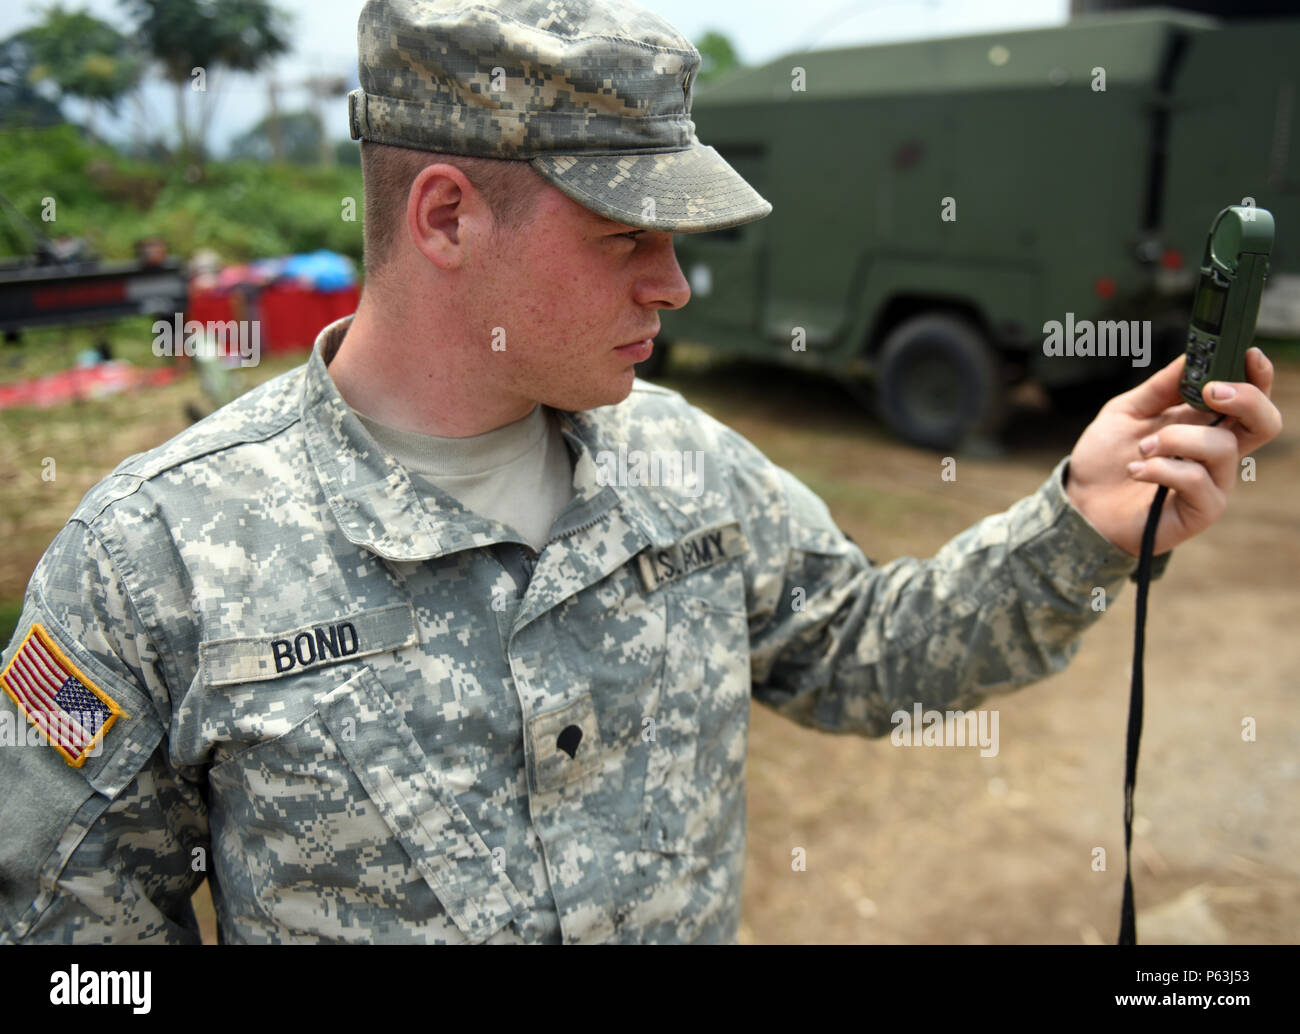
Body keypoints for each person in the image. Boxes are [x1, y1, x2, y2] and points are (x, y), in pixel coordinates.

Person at [0, 0, 1281, 945]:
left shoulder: (680, 458)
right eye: (626, 237)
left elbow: (863, 652)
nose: (673, 282)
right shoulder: (152, 555)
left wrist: (1079, 525)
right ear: (445, 216)